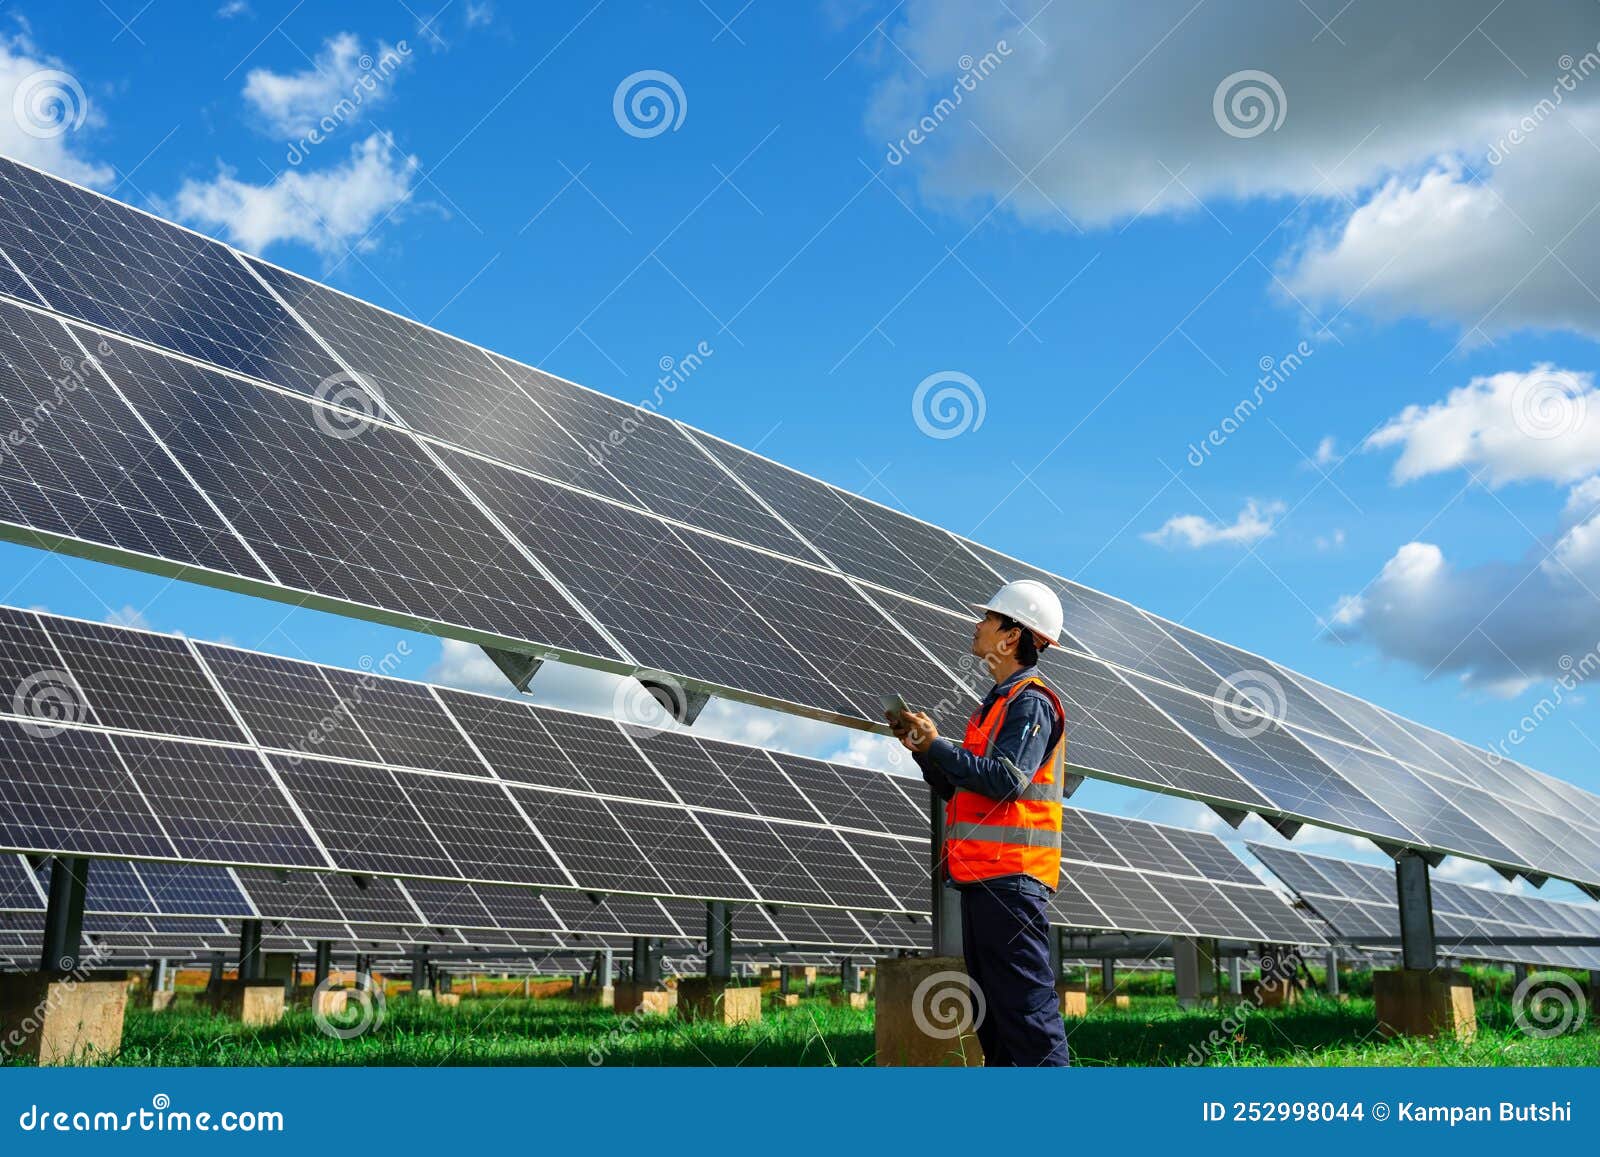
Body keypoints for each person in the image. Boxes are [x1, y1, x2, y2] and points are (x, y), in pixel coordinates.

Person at [890, 579, 1070, 1067]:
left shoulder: (1030, 701)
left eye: (988, 620)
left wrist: (938, 746)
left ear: (1011, 637)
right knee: (993, 1018)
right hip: (983, 880)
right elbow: (961, 788)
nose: (978, 625)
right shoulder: (992, 707)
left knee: (1028, 1016)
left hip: (1012, 880)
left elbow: (1007, 781)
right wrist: (925, 753)